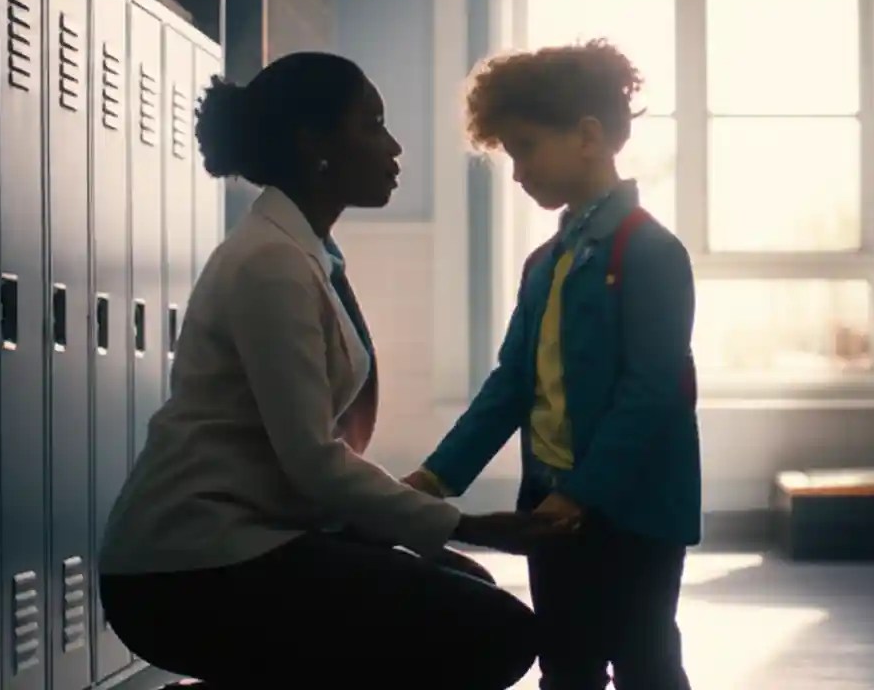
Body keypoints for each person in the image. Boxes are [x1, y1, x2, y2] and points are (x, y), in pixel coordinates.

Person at [97, 52, 557, 689]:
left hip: (250, 538)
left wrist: (433, 534)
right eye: (371, 125)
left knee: (466, 591)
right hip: (189, 565)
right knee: (493, 632)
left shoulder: (304, 252)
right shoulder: (271, 264)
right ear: (314, 143)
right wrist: (470, 526)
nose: (394, 147)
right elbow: (312, 459)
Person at [403, 39, 701, 690]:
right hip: (550, 509)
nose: (517, 172)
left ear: (588, 137)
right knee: (566, 663)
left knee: (646, 659)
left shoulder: (649, 250)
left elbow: (652, 392)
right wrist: (433, 477)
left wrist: (580, 494)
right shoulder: (545, 263)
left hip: (635, 512)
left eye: (526, 148)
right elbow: (511, 384)